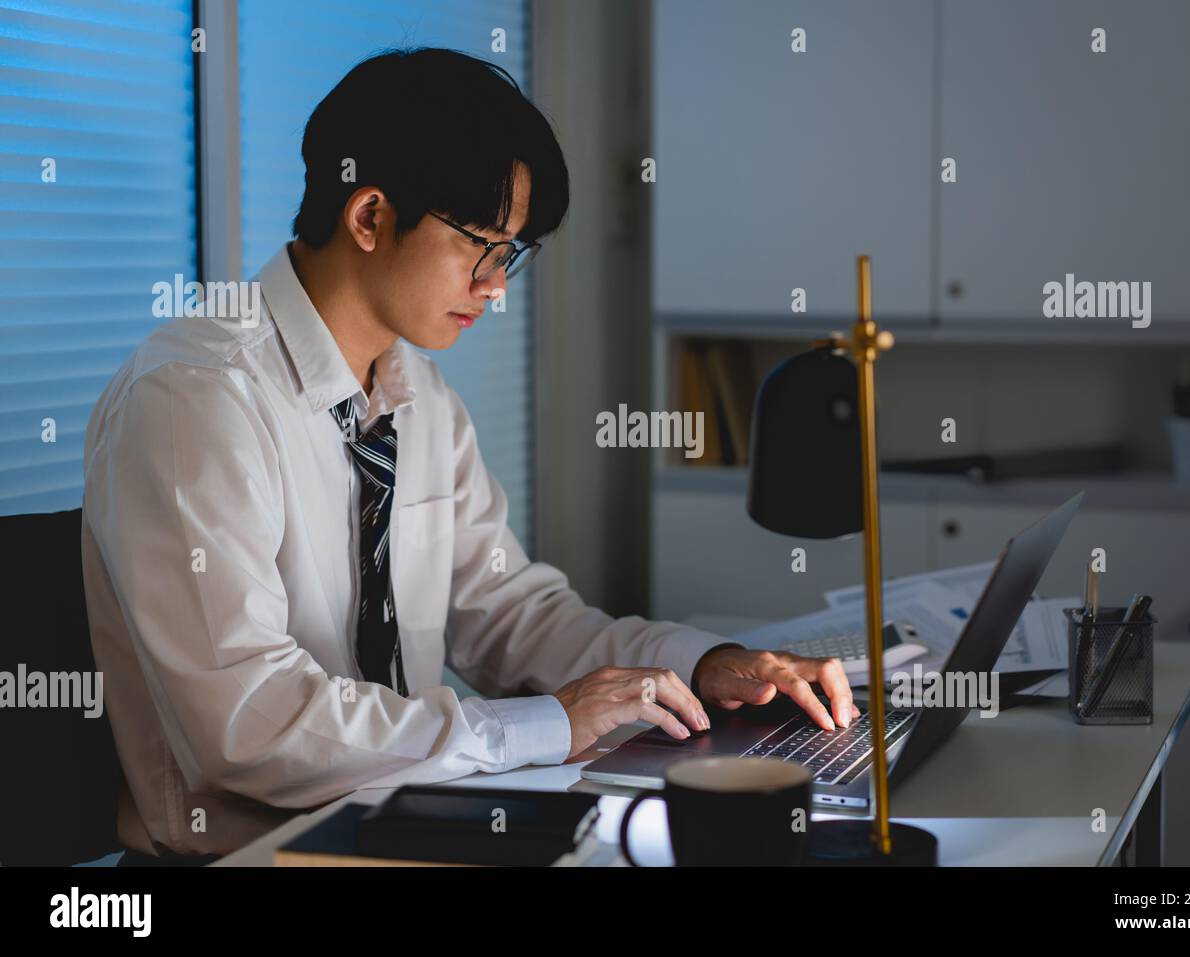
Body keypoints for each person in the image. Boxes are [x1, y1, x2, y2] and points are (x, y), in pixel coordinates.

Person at [82, 48, 856, 863]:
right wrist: (548, 722)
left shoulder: (417, 395)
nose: (498, 287)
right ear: (371, 216)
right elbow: (248, 722)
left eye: (511, 253)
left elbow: (511, 616)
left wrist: (703, 665)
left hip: (409, 832)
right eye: (483, 245)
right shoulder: (196, 397)